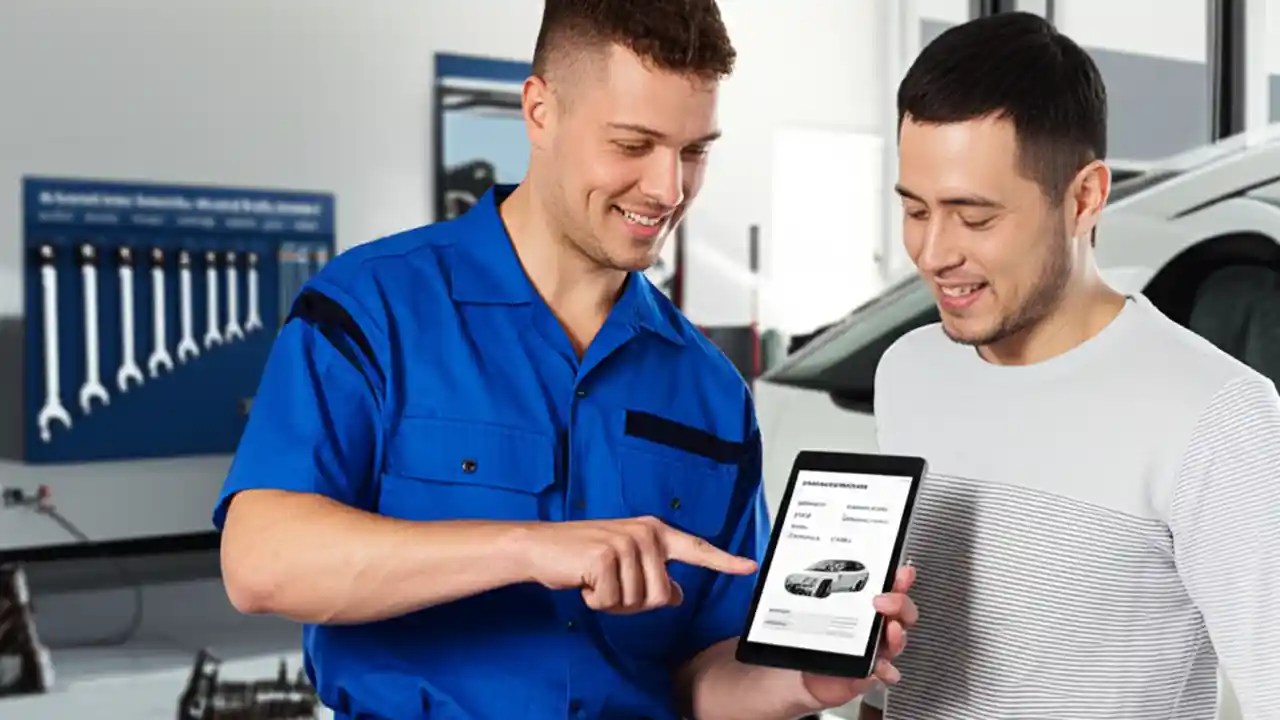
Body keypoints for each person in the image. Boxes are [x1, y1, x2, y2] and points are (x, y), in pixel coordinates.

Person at [213, 1, 918, 718]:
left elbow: (699, 675)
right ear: (539, 110)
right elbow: (261, 564)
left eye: (695, 151)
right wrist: (530, 549)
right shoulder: (373, 310)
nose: (668, 190)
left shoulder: (710, 391)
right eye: (632, 144)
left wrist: (801, 683)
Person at [863, 11, 1280, 720]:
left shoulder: (1220, 417)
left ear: (1084, 197)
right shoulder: (907, 371)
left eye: (974, 216)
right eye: (915, 210)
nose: (933, 253)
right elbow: (899, 676)